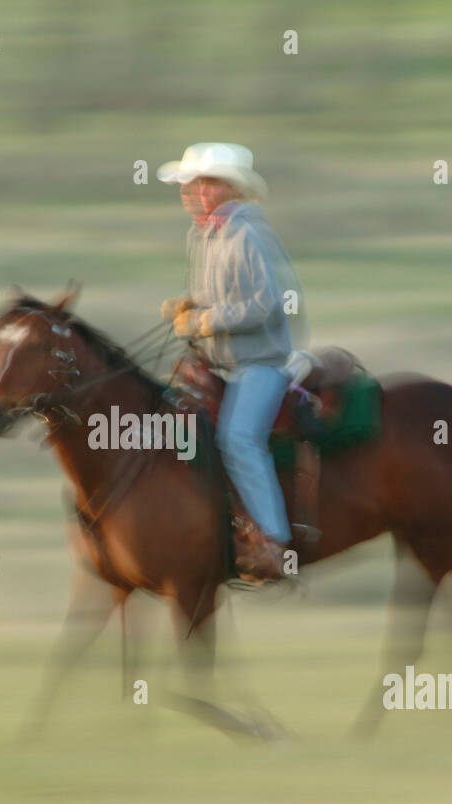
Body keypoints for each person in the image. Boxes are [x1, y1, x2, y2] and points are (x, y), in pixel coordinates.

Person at [157, 143, 308, 585]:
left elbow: (266, 305)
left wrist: (203, 320)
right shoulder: (203, 233)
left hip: (259, 362)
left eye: (202, 183)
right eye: (188, 184)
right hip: (221, 362)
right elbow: (224, 298)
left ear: (227, 188)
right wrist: (192, 305)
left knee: (239, 439)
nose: (190, 192)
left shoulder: (247, 234)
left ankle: (274, 542)